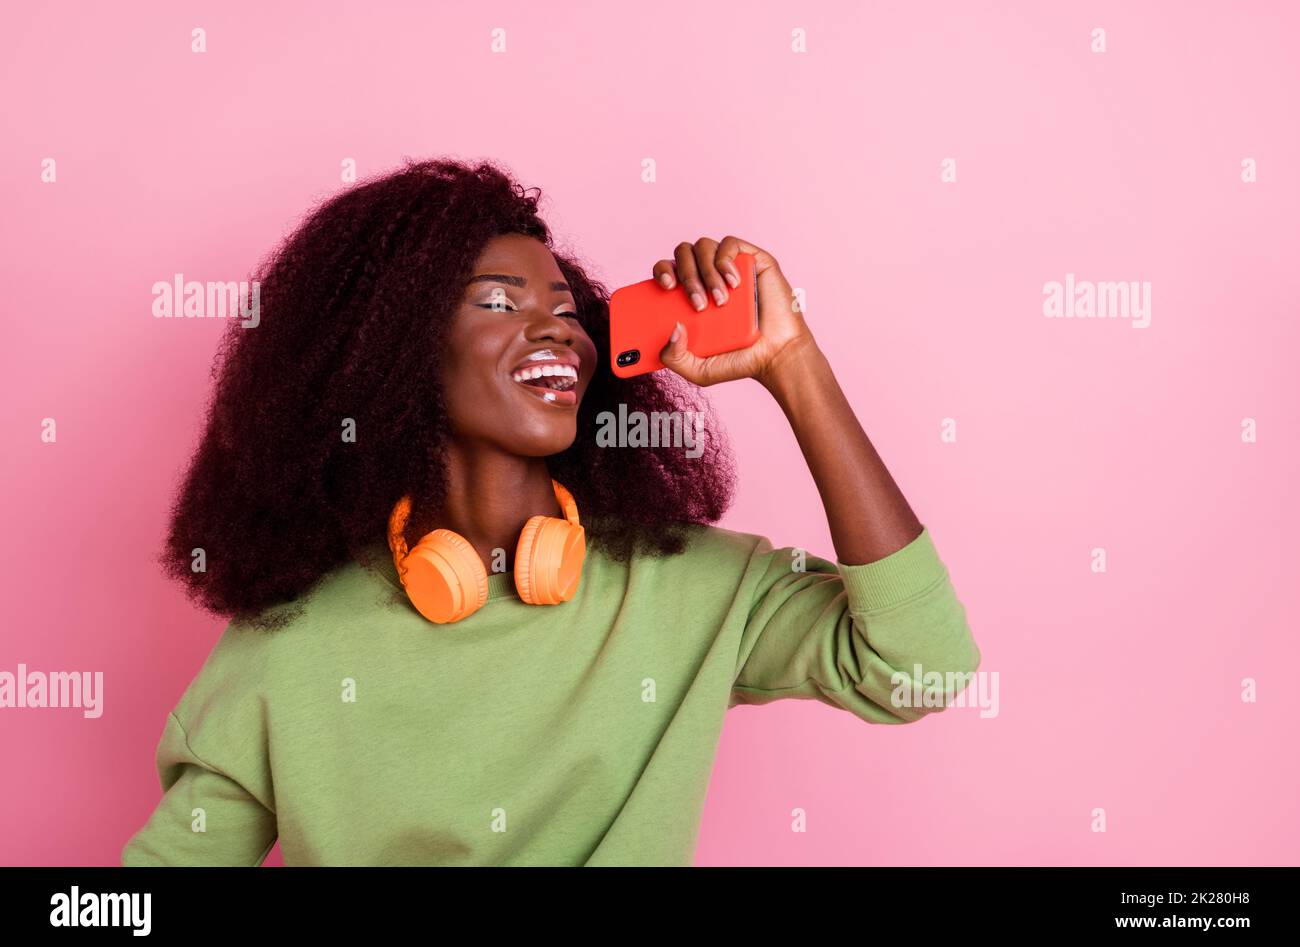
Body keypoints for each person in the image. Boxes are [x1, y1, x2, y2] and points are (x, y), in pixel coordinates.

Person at [121, 157, 980, 866]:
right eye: (500, 302)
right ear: (391, 348)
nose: (558, 331)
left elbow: (920, 665)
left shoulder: (695, 590)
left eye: (568, 311)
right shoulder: (290, 643)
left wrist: (793, 361)